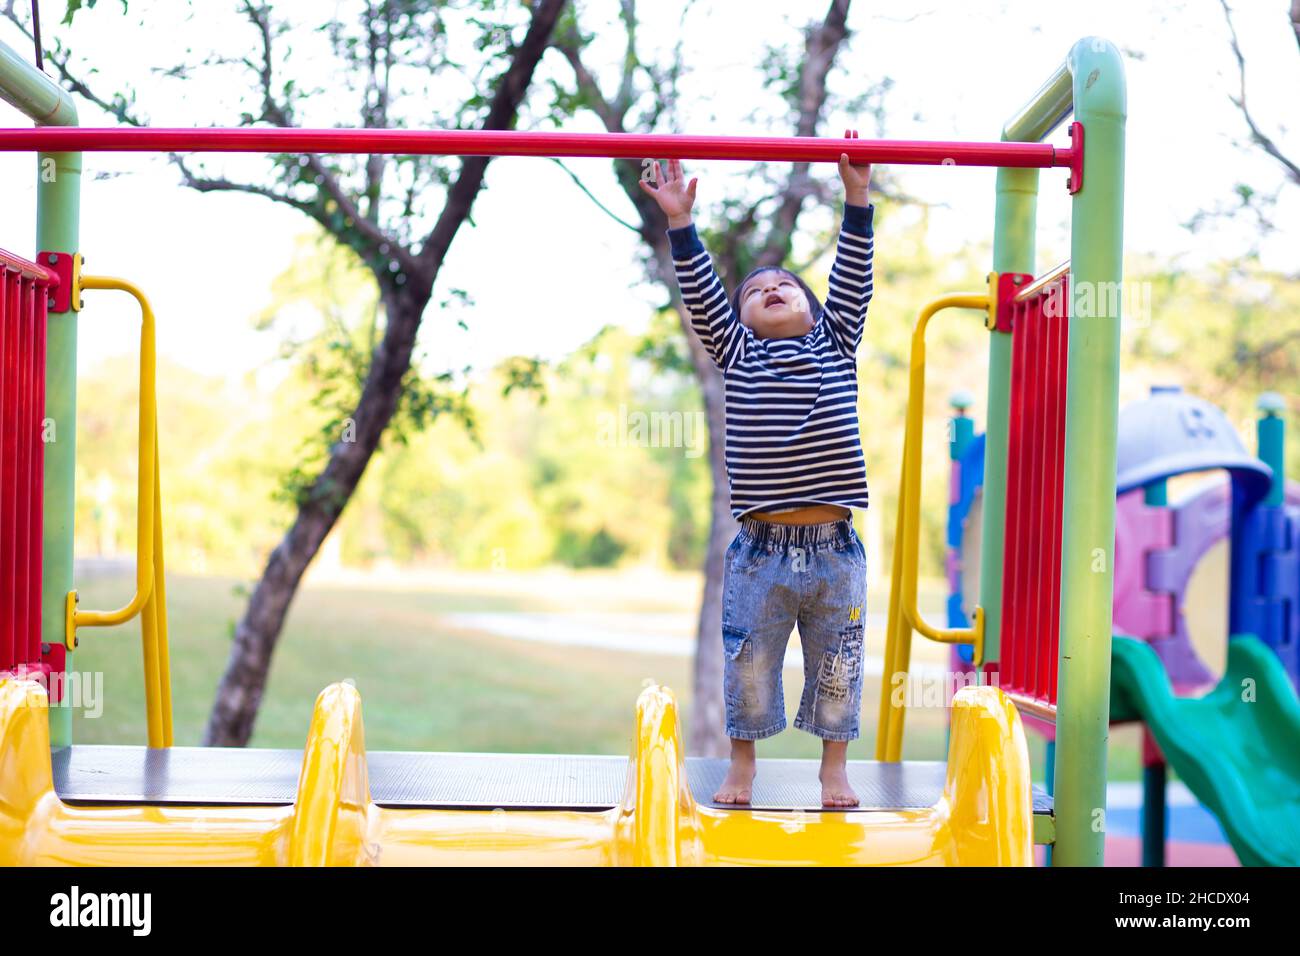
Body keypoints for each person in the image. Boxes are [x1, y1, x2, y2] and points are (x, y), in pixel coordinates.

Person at [639, 131, 874, 808]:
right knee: (749, 663)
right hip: (759, 549)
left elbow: (853, 273)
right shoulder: (736, 352)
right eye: (758, 289)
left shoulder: (836, 338)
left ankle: (834, 771)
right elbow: (704, 291)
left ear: (816, 311)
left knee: (839, 665)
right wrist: (681, 223)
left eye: (787, 286)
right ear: (737, 320)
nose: (772, 288)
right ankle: (742, 769)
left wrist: (857, 197)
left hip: (834, 549)